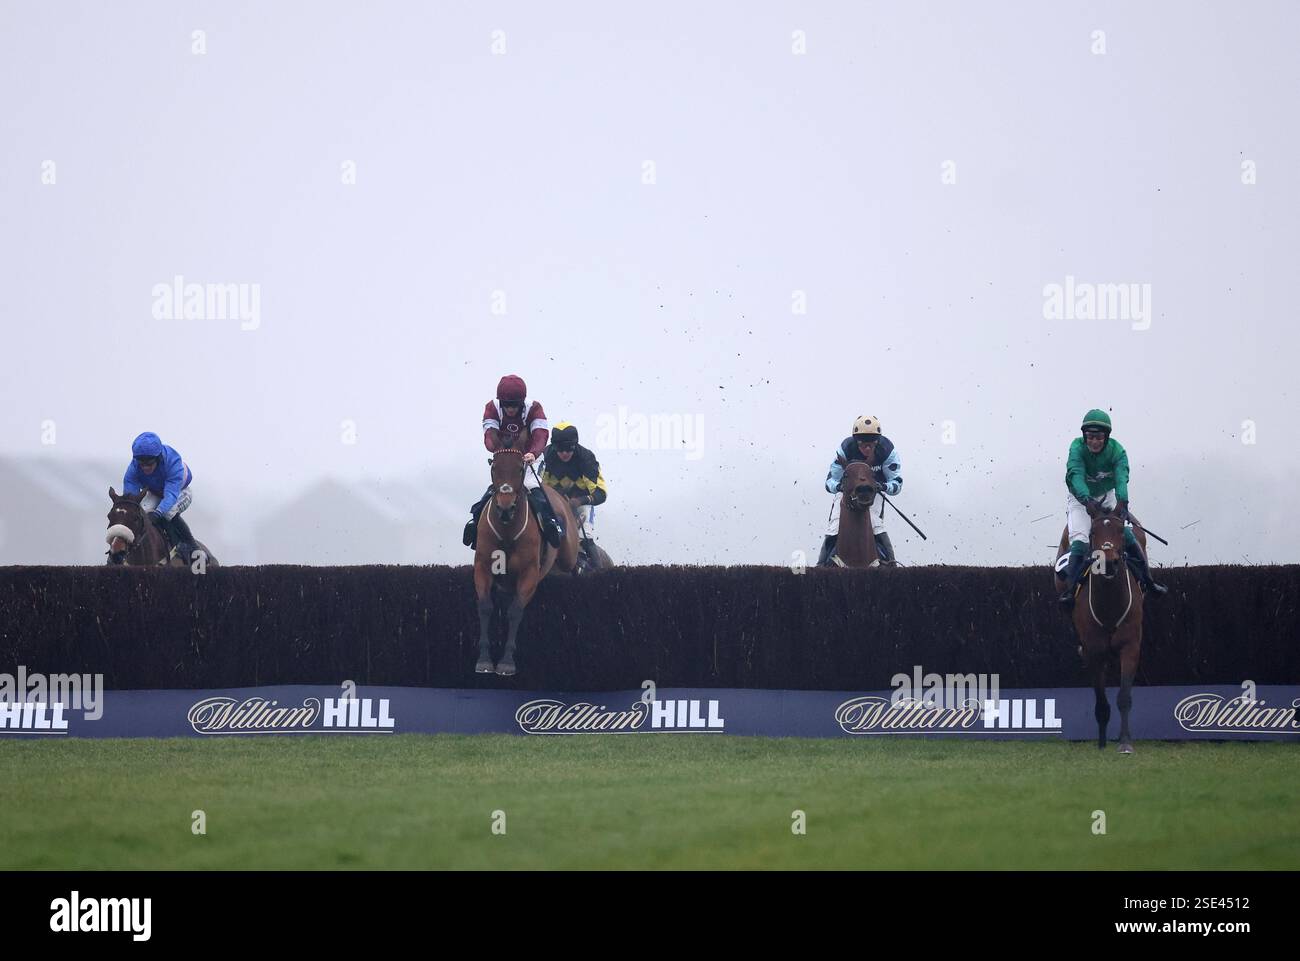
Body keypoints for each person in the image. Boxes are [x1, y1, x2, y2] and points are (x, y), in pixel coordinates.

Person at [1057, 409, 1167, 610]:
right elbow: (1076, 475)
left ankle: (1149, 582)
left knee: (1124, 533)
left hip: (1106, 495)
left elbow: (1121, 477)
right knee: (1080, 539)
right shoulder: (1076, 448)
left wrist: (1122, 503)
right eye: (1090, 437)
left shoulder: (1117, 451)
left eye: (1099, 437)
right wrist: (1086, 500)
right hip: (1080, 500)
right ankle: (1070, 591)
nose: (1094, 442)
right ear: (1084, 436)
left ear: (1106, 437)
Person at [463, 374, 564, 548]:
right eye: (506, 405)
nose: (510, 409)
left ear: (522, 402)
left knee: (531, 485)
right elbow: (489, 438)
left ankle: (550, 522)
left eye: (514, 405)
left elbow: (541, 436)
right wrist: (499, 450)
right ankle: (475, 520)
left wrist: (533, 453)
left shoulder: (534, 408)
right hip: (505, 458)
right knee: (497, 486)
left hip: (530, 457)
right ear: (500, 402)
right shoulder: (492, 408)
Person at [819, 415, 902, 565]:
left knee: (874, 521)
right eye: (863, 444)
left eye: (872, 444)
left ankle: (891, 564)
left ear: (878, 442)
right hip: (847, 491)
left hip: (873, 491)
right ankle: (820, 566)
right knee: (835, 524)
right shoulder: (845, 448)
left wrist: (883, 486)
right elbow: (829, 481)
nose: (868, 448)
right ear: (856, 442)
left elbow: (896, 483)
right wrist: (839, 486)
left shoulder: (887, 450)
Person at [122, 431, 199, 560]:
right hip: (156, 492)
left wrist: (157, 513)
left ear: (158, 458)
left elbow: (170, 495)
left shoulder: (173, 462)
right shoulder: (133, 468)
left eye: (149, 463)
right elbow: (131, 498)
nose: (145, 468)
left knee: (168, 512)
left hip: (180, 492)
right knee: (141, 514)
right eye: (142, 463)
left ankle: (192, 546)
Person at [541, 422, 608, 562]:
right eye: (560, 448)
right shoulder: (545, 456)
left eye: (569, 448)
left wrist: (579, 501)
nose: (565, 453)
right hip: (554, 505)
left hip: (580, 505)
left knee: (585, 538)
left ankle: (598, 573)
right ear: (554, 446)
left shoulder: (586, 458)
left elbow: (601, 493)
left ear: (575, 445)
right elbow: (539, 487)